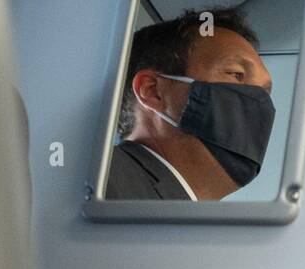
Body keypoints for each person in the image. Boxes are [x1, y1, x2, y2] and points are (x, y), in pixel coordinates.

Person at [106, 7, 275, 201]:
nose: (259, 100)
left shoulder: (191, 215)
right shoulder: (99, 183)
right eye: (237, 75)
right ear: (152, 90)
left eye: (265, 92)